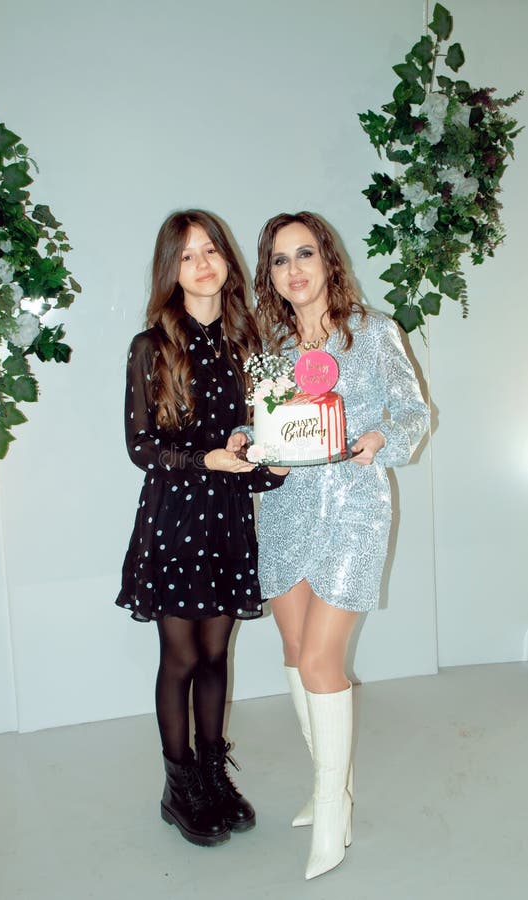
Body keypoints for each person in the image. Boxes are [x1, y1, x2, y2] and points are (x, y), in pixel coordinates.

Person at [230, 211, 429, 879]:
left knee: (321, 660)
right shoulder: (270, 346)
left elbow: (413, 412)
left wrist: (380, 438)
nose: (295, 269)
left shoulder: (372, 332)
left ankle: (331, 809)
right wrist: (244, 439)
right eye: (280, 259)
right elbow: (260, 421)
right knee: (293, 651)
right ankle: (329, 784)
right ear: (270, 274)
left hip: (354, 508)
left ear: (327, 259)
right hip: (286, 510)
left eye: (305, 253)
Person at [116, 209, 287, 848]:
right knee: (182, 656)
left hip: (228, 520)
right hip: (175, 517)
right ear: (172, 270)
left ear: (227, 260)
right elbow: (140, 446)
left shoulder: (250, 344)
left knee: (217, 654)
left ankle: (214, 775)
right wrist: (204, 460)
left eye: (211, 250)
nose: (203, 264)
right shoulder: (151, 346)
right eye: (187, 255)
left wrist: (269, 460)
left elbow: (259, 438)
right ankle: (179, 785)